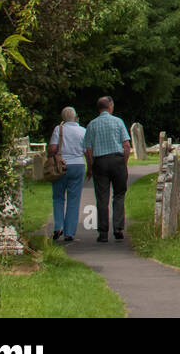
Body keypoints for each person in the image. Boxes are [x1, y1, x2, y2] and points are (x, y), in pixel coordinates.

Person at [83, 95, 132, 243]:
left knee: (102, 197)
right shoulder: (118, 122)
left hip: (100, 162)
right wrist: (124, 163)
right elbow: (127, 146)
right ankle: (118, 228)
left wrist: (90, 167)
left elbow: (88, 149)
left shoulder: (92, 124)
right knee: (119, 195)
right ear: (110, 106)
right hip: (117, 160)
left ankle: (103, 232)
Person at [49, 107, 86, 243]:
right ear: (75, 116)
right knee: (73, 199)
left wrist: (51, 156)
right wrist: (90, 167)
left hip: (61, 166)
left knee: (58, 197)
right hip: (78, 165)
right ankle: (69, 232)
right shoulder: (82, 131)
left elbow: (53, 149)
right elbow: (87, 150)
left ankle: (58, 225)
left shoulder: (58, 130)